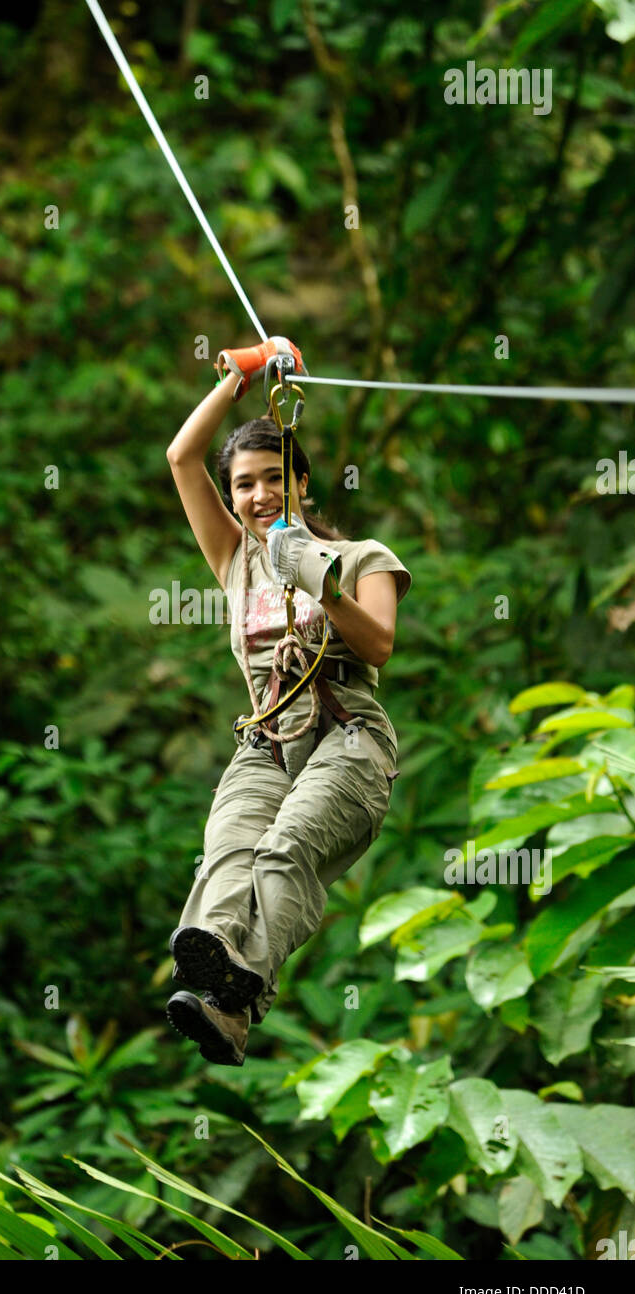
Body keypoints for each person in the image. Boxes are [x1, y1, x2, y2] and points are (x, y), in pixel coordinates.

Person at [164, 338, 412, 1065]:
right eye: (243, 485)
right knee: (226, 856)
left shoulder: (361, 557)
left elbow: (377, 648)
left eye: (274, 479)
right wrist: (237, 380)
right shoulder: (233, 557)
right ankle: (222, 1001)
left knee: (284, 851)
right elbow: (182, 458)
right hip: (268, 739)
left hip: (347, 741)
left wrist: (319, 579)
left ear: (301, 483)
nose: (259, 495)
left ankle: (242, 990)